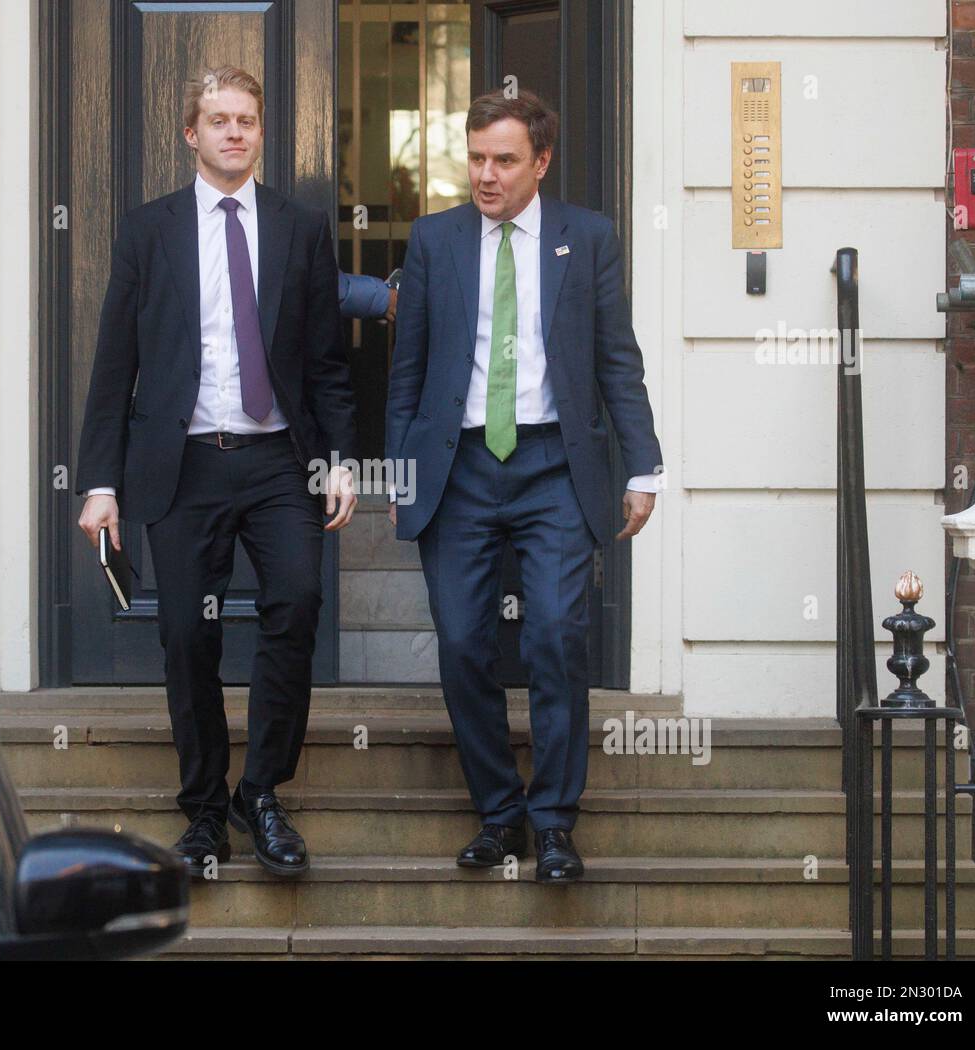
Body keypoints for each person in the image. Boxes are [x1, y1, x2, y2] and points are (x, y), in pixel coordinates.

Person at [76, 65, 358, 878]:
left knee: (297, 602)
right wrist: (101, 482)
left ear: (261, 132)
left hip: (278, 463)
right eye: (218, 120)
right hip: (185, 465)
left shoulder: (301, 228)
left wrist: (340, 461)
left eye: (246, 120)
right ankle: (203, 809)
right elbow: (112, 366)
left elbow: (326, 362)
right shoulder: (147, 231)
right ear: (191, 134)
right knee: (185, 635)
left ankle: (260, 792)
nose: (234, 132)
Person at [385, 88, 663, 883]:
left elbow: (618, 361)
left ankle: (554, 823)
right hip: (459, 469)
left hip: (553, 469)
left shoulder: (589, 239)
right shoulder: (435, 241)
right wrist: (401, 472)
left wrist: (642, 468)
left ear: (540, 162)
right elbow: (405, 378)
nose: (486, 175)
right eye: (475, 158)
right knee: (466, 643)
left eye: (504, 160)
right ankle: (499, 815)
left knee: (552, 636)